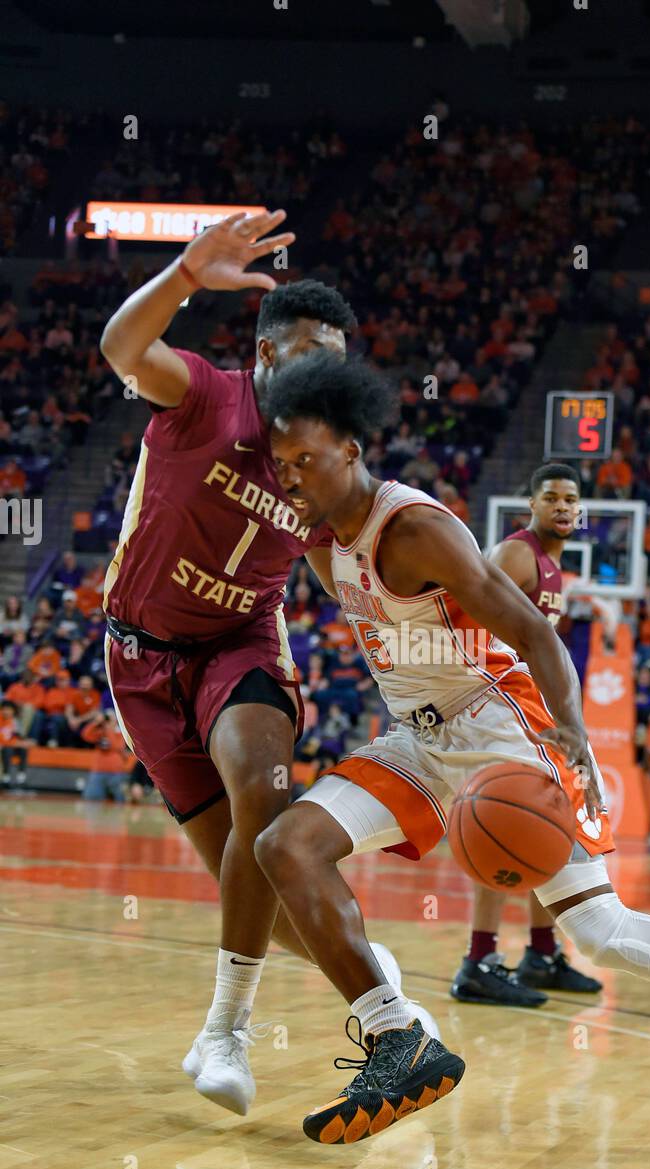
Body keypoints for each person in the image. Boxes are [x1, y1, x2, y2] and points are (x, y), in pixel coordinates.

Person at [250, 352, 650, 1153]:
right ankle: (396, 1035)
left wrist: (568, 726)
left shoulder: (418, 530)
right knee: (284, 847)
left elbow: (536, 633)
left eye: (307, 459)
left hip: (502, 729)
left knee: (603, 932)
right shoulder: (313, 538)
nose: (292, 476)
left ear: (353, 453)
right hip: (418, 739)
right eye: (282, 463)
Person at [98, 210, 413, 1118]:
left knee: (261, 799)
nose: (330, 372)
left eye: (340, 359)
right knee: (262, 876)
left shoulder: (325, 456)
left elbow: (335, 562)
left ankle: (226, 1028)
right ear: (268, 354)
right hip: (140, 660)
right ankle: (363, 975)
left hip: (242, 647)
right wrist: (186, 273)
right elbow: (123, 346)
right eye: (314, 352)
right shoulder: (201, 393)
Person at [450, 461, 601, 1009]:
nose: (563, 506)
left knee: (551, 823)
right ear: (531, 506)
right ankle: (479, 959)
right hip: (495, 708)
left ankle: (540, 952)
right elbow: (467, 620)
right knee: (502, 821)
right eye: (552, 498)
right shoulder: (517, 554)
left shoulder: (555, 567)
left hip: (533, 712)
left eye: (571, 499)